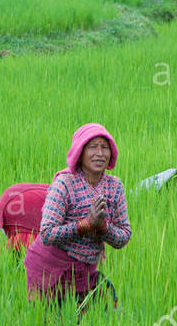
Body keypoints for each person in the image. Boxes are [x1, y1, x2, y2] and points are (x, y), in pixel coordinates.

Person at [25, 123, 131, 310]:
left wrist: (103, 228)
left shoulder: (114, 187)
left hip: (86, 270)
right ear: (80, 153)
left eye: (105, 147)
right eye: (93, 147)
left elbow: (124, 235)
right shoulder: (64, 184)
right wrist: (85, 224)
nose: (100, 153)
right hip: (50, 269)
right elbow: (48, 233)